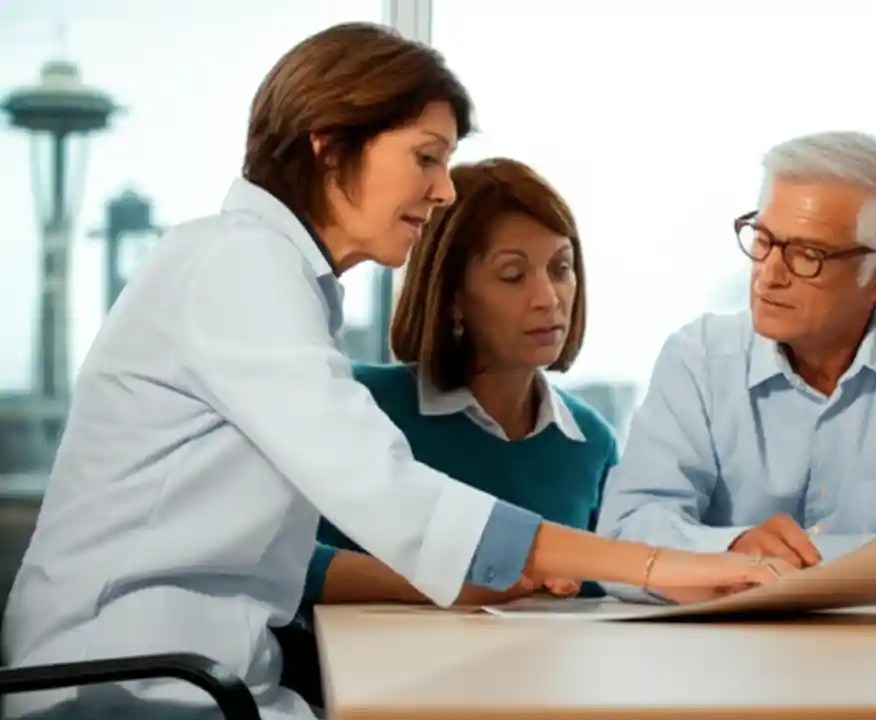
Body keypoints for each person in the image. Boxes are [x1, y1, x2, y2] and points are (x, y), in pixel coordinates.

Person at [1, 23, 791, 720]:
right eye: (426, 158)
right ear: (329, 142)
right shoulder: (237, 264)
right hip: (127, 688)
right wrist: (661, 566)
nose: (443, 190)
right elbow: (390, 493)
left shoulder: (276, 278)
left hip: (203, 678)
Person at [595, 130, 876, 603]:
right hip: (725, 661)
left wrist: (759, 568)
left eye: (808, 255)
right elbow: (620, 543)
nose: (769, 273)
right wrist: (733, 548)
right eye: (762, 240)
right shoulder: (698, 357)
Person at [303, 158, 617, 610]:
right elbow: (284, 562)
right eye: (513, 275)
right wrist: (444, 581)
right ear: (451, 296)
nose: (548, 299)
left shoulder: (591, 444)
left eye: (560, 268)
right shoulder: (364, 405)